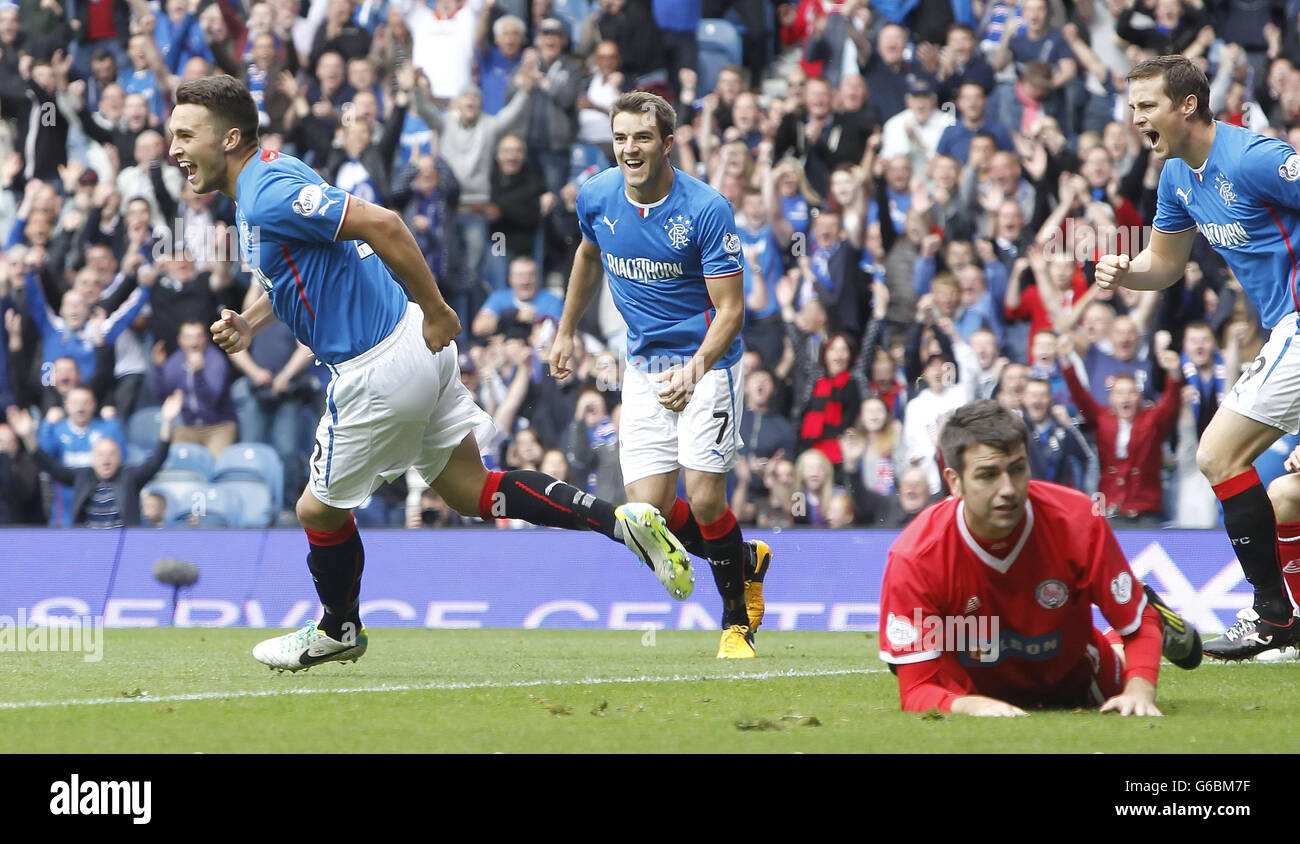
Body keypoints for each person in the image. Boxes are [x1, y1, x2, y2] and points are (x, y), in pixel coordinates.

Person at [168, 76, 690, 672]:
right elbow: (304, 265)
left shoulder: (262, 194)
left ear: (229, 137)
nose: (174, 147)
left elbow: (385, 224)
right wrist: (254, 321)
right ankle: (619, 521)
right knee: (472, 489)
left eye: (187, 134)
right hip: (412, 343)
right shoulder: (270, 171)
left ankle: (338, 627)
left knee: (317, 512)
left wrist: (441, 309)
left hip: (377, 366)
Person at [549, 90, 772, 659]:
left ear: (667, 144)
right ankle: (744, 559)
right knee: (646, 514)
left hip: (708, 365)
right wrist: (567, 329)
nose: (630, 149)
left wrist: (695, 370)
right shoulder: (597, 196)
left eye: (642, 138)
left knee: (703, 498)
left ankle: (734, 624)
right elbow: (587, 254)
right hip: (643, 368)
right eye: (621, 138)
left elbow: (732, 312)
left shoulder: (705, 209)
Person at [1096, 55, 1300, 658]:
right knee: (1288, 498)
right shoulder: (1177, 179)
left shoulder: (1255, 158)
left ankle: (1273, 618)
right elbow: (1162, 266)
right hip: (1282, 332)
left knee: (1215, 452)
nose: (1137, 119)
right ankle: (1286, 619)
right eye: (1132, 108)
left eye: (1146, 106)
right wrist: (1123, 274)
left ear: (1187, 105)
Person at [878, 400, 1201, 716]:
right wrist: (964, 705)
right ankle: (1132, 607)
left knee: (1132, 630)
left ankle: (1139, 610)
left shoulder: (1077, 521)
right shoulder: (915, 557)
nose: (1008, 488)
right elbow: (916, 688)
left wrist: (1140, 690)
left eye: (1017, 469)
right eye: (988, 475)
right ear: (954, 482)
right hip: (974, 689)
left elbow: (1136, 627)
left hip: (1074, 677)